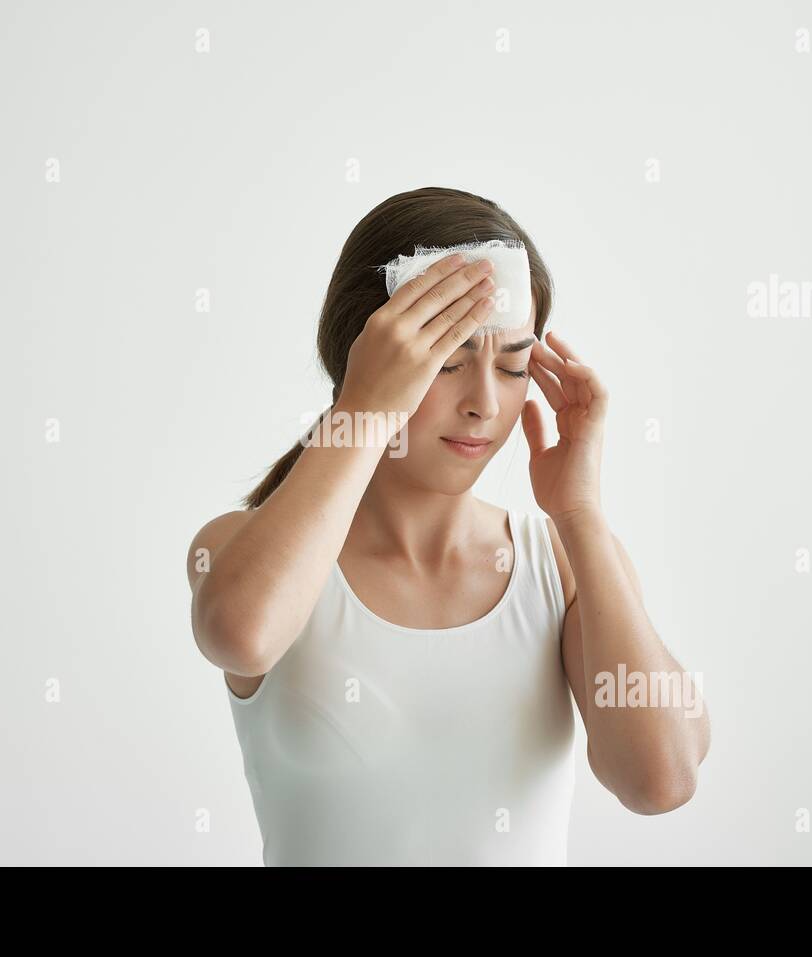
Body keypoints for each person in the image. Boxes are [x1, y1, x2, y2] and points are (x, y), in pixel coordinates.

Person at [185, 186, 710, 865]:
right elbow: (241, 634)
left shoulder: (563, 563)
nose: (485, 403)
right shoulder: (237, 547)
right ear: (364, 358)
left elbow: (661, 779)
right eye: (449, 361)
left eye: (514, 365)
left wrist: (580, 515)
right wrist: (365, 411)